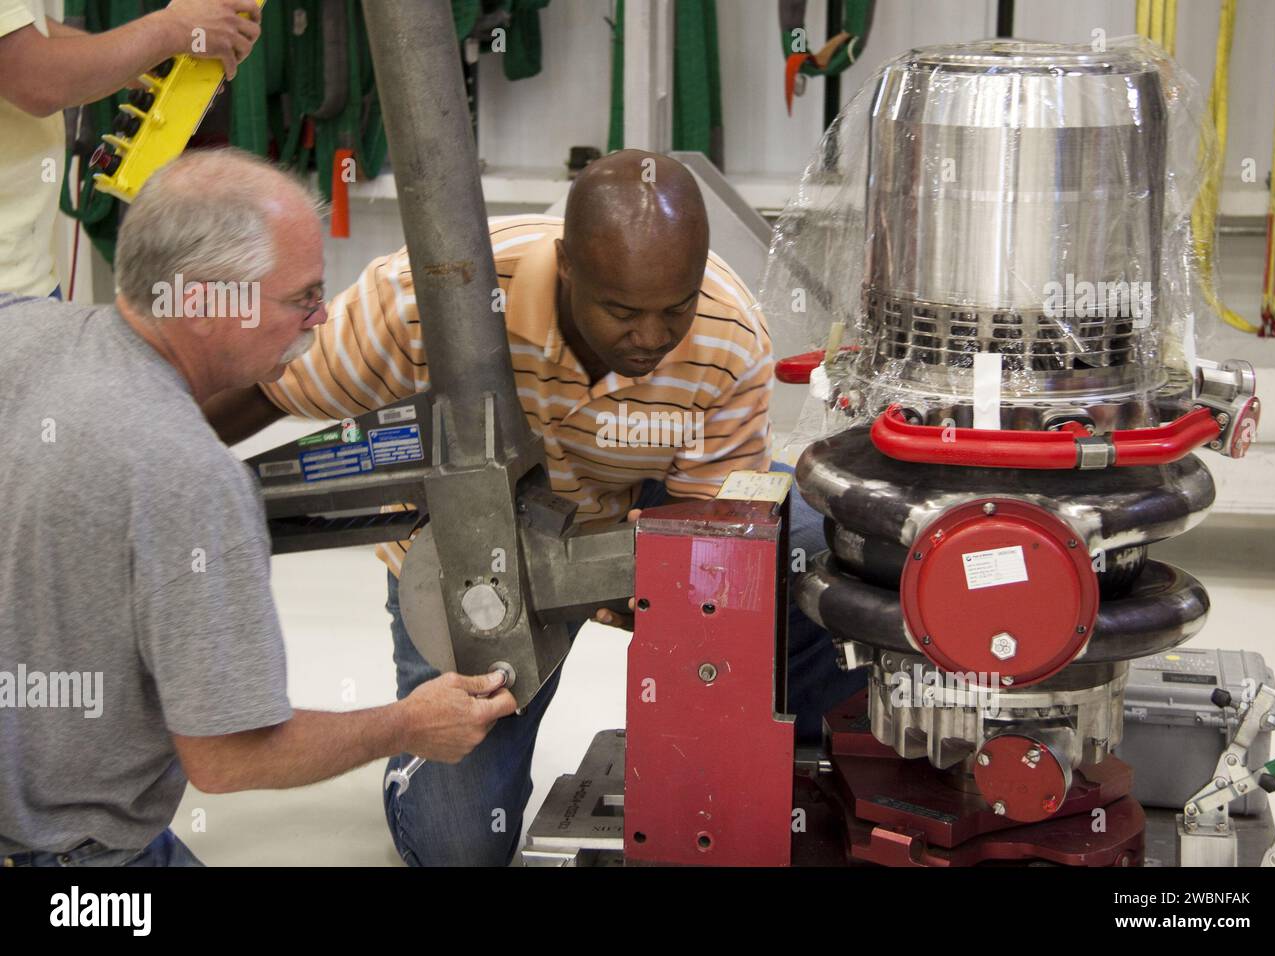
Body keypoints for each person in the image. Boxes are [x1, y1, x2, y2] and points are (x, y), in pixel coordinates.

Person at [203, 149, 868, 866]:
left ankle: (789, 752)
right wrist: (144, 462)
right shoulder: (419, 304)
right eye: (622, 312)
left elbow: (709, 525)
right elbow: (263, 391)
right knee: (458, 847)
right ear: (569, 267)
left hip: (630, 504)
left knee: (822, 542)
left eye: (672, 309)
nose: (650, 338)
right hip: (465, 554)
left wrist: (657, 604)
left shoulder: (725, 333)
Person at [0, 148, 514, 868]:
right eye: (301, 297)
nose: (322, 315)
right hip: (69, 862)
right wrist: (406, 724)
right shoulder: (190, 475)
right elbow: (228, 756)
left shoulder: (16, 329)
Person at [0, 0, 262, 297]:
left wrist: (136, 55)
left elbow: (25, 31)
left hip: (27, 270)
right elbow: (37, 78)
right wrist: (173, 28)